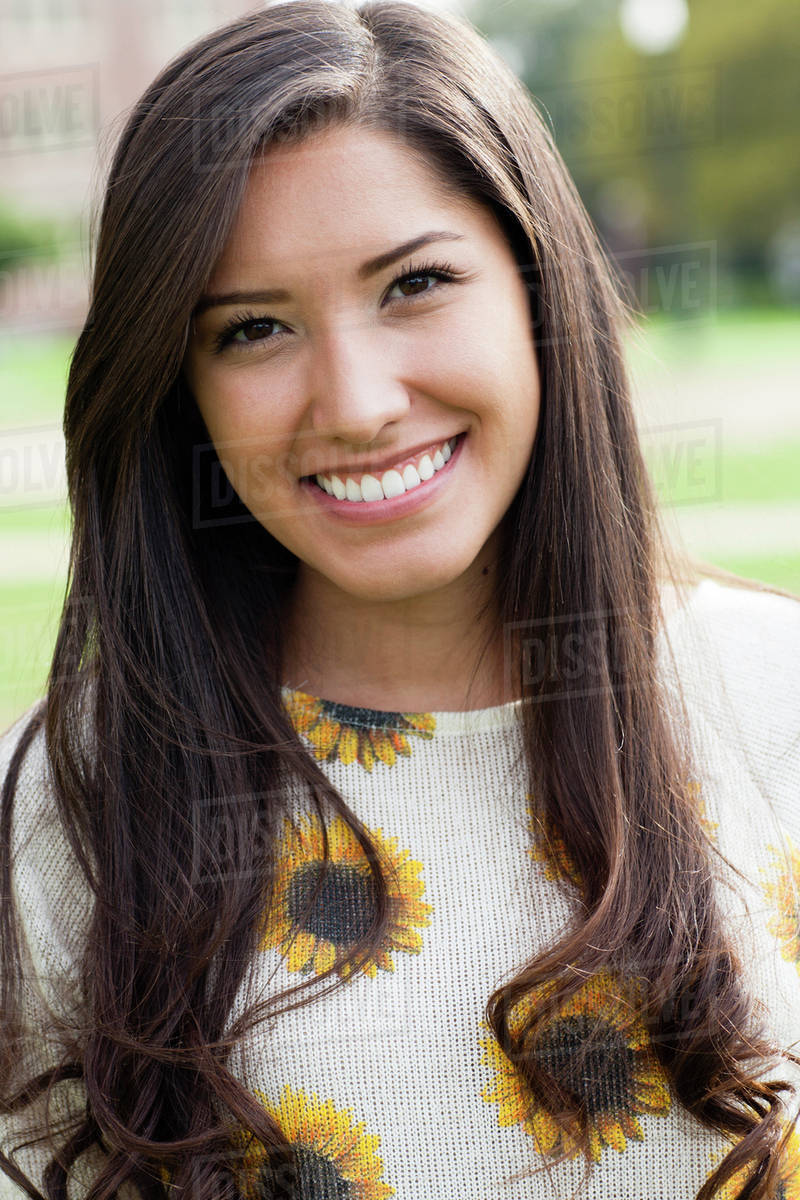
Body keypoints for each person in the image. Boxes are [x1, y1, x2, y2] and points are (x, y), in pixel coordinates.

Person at [1, 2, 799, 1197]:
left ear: (537, 294)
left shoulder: (777, 697)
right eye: (253, 329)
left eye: (415, 283)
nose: (358, 402)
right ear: (181, 392)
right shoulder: (76, 802)